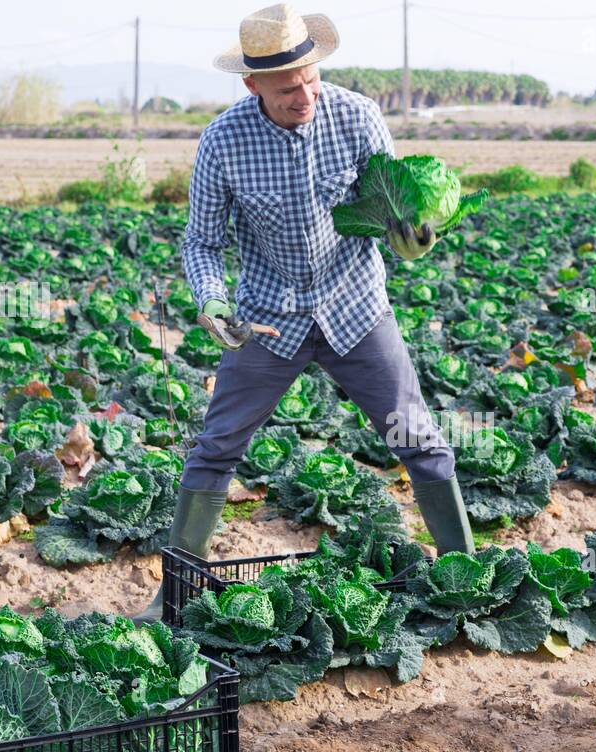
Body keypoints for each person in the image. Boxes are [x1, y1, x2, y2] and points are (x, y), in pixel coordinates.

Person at [133, 3, 474, 622]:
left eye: (311, 78)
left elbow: (393, 209)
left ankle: (466, 578)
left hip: (356, 309)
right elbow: (202, 241)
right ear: (253, 84)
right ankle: (174, 599)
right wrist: (211, 303)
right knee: (216, 448)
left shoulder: (358, 116)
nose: (305, 94)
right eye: (288, 87)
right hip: (268, 318)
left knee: (418, 440)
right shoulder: (223, 141)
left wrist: (412, 236)